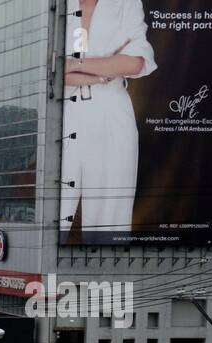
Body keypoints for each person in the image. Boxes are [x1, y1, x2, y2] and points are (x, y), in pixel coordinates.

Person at [59, 0, 156, 240]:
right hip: (59, 110)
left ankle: (105, 273)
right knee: (50, 211)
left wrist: (74, 65)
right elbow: (47, 70)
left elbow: (136, 62)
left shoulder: (127, 3)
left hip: (111, 111)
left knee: (110, 219)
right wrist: (102, 72)